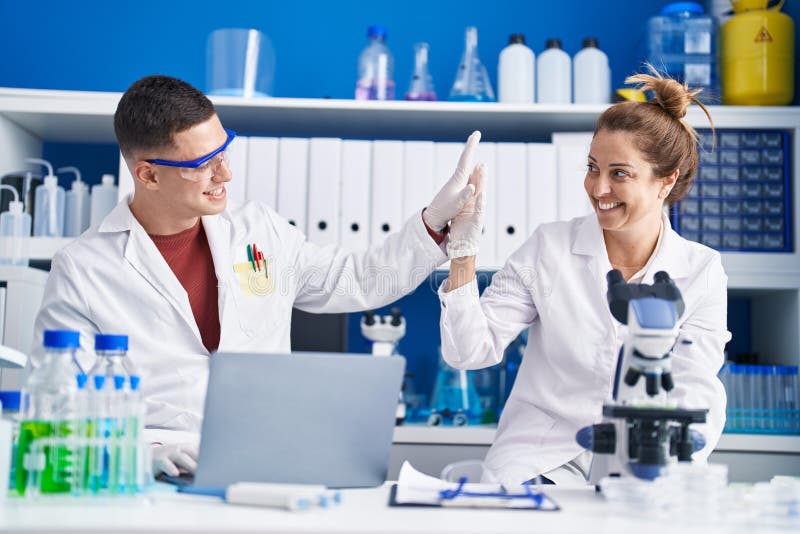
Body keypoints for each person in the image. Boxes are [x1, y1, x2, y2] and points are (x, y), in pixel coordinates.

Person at [31, 75, 485, 478]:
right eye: (203, 164)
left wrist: (432, 223)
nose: (225, 173)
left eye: (224, 150)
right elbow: (57, 406)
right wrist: (137, 455)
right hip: (150, 477)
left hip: (264, 464)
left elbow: (360, 281)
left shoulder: (258, 231)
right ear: (147, 175)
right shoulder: (84, 267)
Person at [439, 69, 731, 486]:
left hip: (645, 460)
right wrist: (462, 252)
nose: (598, 188)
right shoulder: (549, 248)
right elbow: (468, 353)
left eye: (620, 173)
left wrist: (665, 458)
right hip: (540, 457)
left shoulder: (700, 271)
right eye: (593, 168)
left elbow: (695, 387)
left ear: (665, 182)